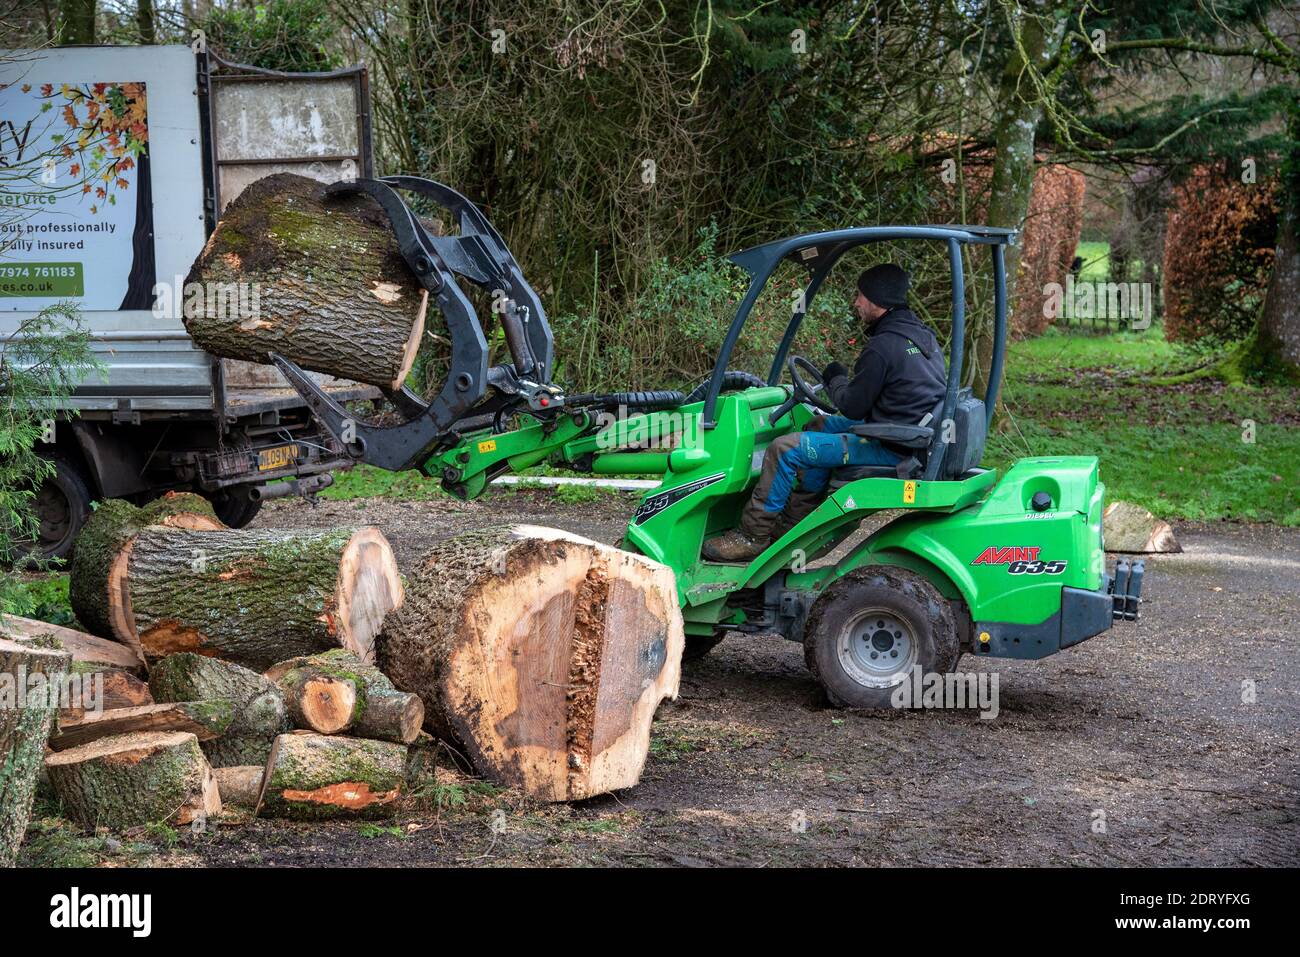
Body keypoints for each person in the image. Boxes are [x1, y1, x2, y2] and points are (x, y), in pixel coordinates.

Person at [701, 263, 947, 562]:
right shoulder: (922, 338)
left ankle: (752, 536)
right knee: (818, 424)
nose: (856, 302)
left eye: (860, 295)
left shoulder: (883, 347)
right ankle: (796, 522)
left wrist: (836, 378)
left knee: (783, 449)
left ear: (877, 300)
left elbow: (853, 405)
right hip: (909, 434)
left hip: (893, 448)